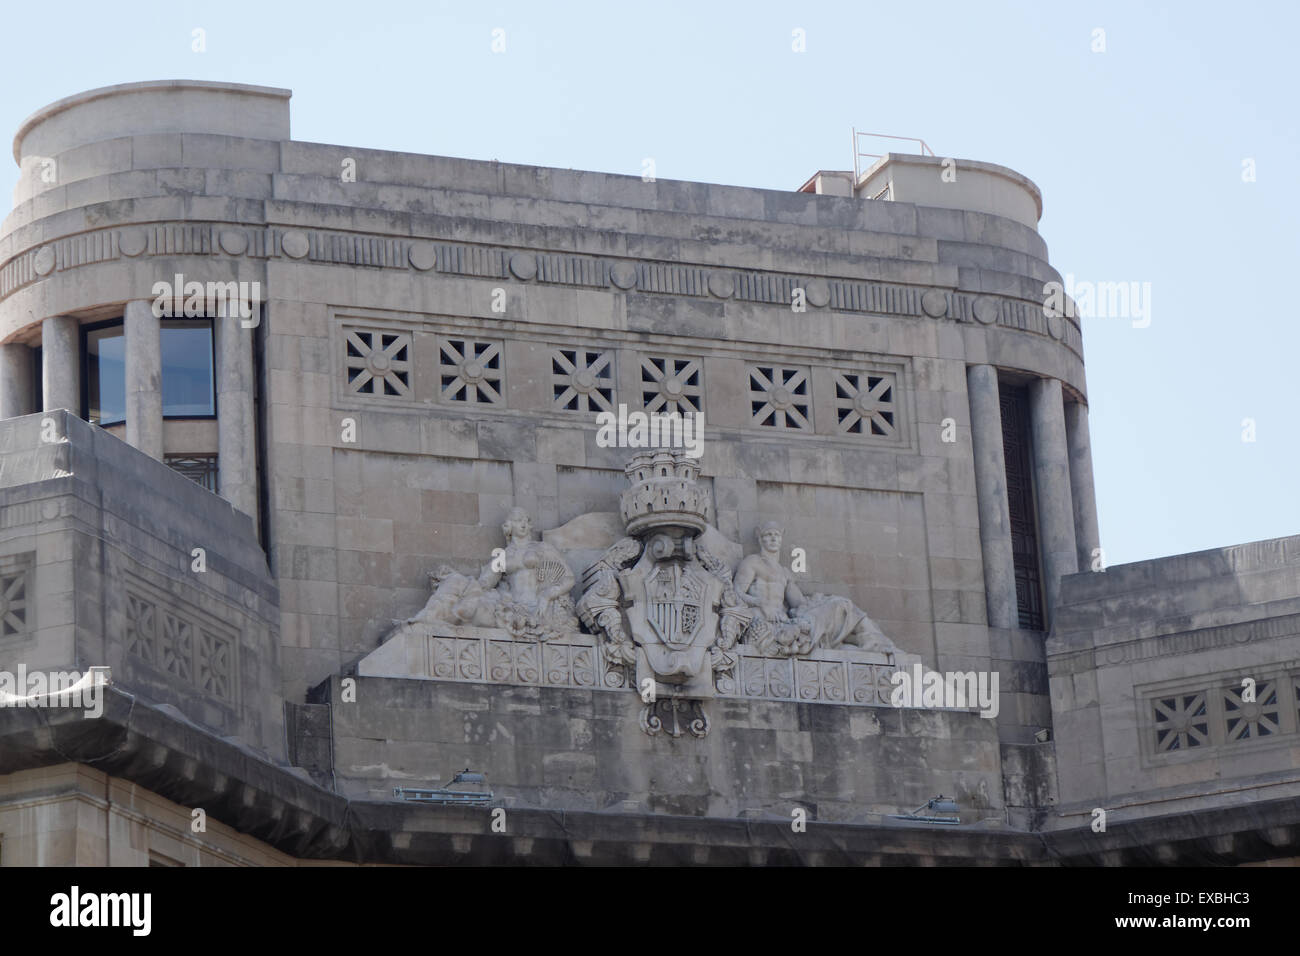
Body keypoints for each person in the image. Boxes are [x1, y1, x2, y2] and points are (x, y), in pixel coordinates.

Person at [733, 521, 895, 656]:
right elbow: (735, 594)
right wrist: (761, 605)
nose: (773, 538)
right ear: (761, 539)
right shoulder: (752, 562)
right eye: (768, 535)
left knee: (841, 605)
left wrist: (822, 603)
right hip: (764, 624)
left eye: (777, 535)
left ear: (781, 539)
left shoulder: (784, 573)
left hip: (787, 622)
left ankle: (873, 643)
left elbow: (799, 604)